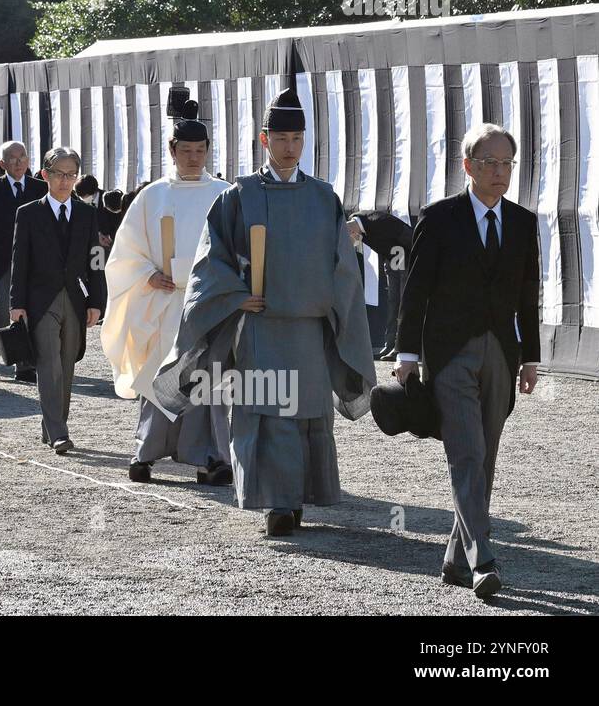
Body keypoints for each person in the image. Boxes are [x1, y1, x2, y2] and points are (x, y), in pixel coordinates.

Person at [150, 88, 376, 536]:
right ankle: (277, 503)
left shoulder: (324, 197)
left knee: (307, 413)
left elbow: (343, 267)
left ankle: (298, 499)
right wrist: (236, 295)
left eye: (297, 138)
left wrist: (333, 307)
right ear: (263, 139)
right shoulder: (240, 195)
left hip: (309, 329)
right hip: (260, 325)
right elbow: (210, 258)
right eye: (281, 138)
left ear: (305, 141)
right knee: (268, 413)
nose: (289, 147)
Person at [394, 122, 540, 600]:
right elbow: (415, 291)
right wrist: (408, 354)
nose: (500, 173)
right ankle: (484, 560)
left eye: (507, 164)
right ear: (468, 167)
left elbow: (527, 297)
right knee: (467, 453)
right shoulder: (438, 219)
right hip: (450, 354)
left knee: (486, 458)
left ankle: (457, 559)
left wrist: (531, 358)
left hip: (502, 351)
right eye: (490, 163)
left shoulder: (523, 222)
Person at [102, 101, 233, 484]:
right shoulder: (152, 196)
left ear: (208, 150)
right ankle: (145, 452)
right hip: (163, 299)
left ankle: (212, 456)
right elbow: (126, 250)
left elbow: (236, 249)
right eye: (185, 151)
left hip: (207, 304)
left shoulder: (225, 194)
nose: (193, 158)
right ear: (173, 151)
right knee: (159, 373)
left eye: (200, 150)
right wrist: (147, 273)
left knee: (207, 380)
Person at [9, 146, 107, 453]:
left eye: (71, 175)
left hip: (76, 298)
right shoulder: (28, 214)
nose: (65, 181)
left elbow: (96, 259)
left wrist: (97, 301)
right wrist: (16, 303)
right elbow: (19, 260)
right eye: (58, 174)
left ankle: (51, 426)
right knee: (48, 364)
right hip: (40, 300)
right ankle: (59, 430)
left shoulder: (88, 214)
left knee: (67, 366)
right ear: (44, 175)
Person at [0, 141, 46, 382]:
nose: (18, 162)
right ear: (2, 163)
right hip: (3, 262)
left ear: (28, 160)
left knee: (29, 312)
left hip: (35, 262)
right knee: (2, 312)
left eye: (22, 156)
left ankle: (25, 366)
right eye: (12, 158)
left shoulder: (41, 188)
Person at [349, 210, 413, 360]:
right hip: (393, 261)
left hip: (406, 261)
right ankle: (390, 344)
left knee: (403, 304)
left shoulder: (378, 220)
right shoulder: (356, 221)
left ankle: (401, 346)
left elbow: (410, 237)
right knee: (393, 303)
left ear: (351, 231)